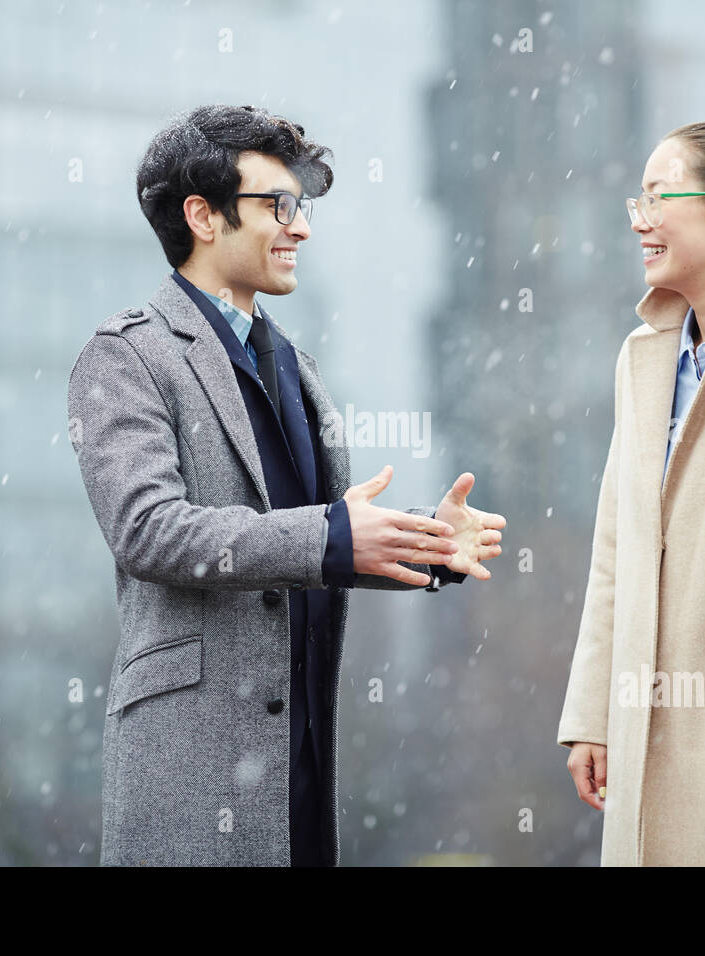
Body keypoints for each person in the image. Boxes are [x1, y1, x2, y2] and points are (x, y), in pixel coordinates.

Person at [67, 104, 506, 866]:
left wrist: (425, 542)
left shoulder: (294, 364)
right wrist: (334, 535)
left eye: (299, 207)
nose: (299, 227)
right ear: (201, 216)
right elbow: (148, 530)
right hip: (192, 768)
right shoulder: (126, 355)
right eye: (278, 206)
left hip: (298, 762)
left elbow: (309, 540)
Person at [558, 120, 705, 865]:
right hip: (637, 719)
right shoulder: (644, 356)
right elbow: (613, 550)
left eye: (661, 197)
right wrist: (592, 713)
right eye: (639, 199)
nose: (641, 219)